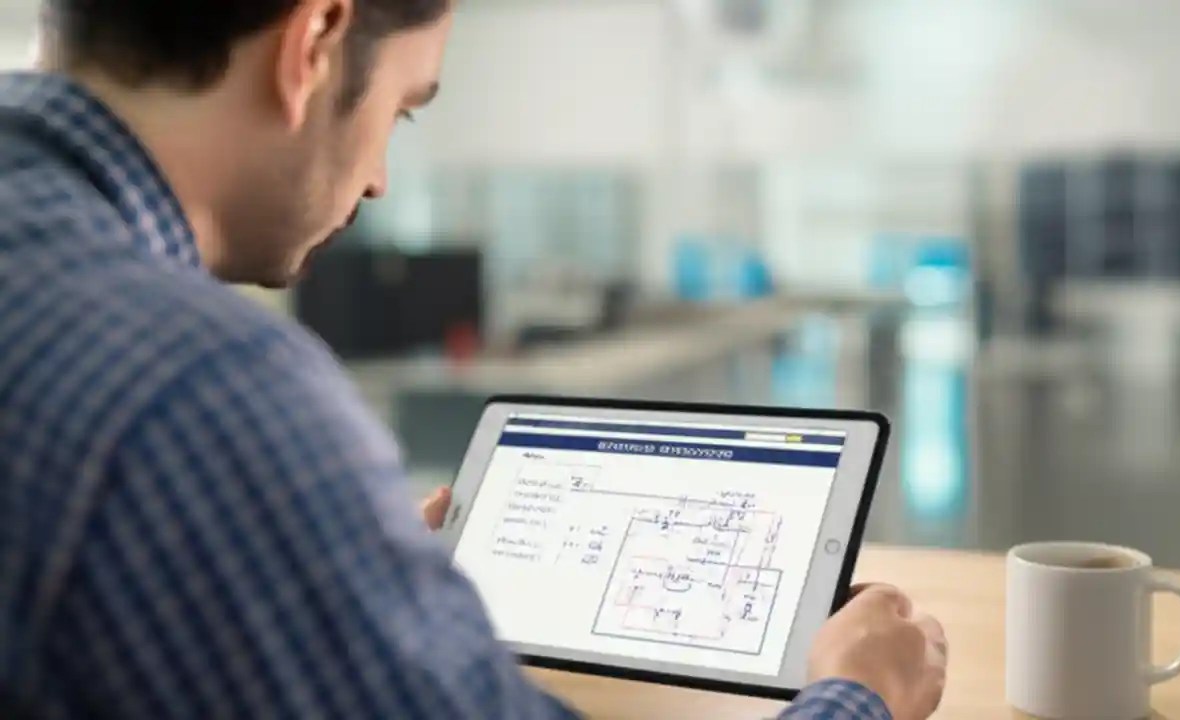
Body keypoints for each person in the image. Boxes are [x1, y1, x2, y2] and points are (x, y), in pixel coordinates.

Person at [0, 1, 947, 718]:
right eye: (402, 111)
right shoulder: (206, 390)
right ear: (314, 42)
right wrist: (857, 694)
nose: (376, 178)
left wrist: (326, 581)